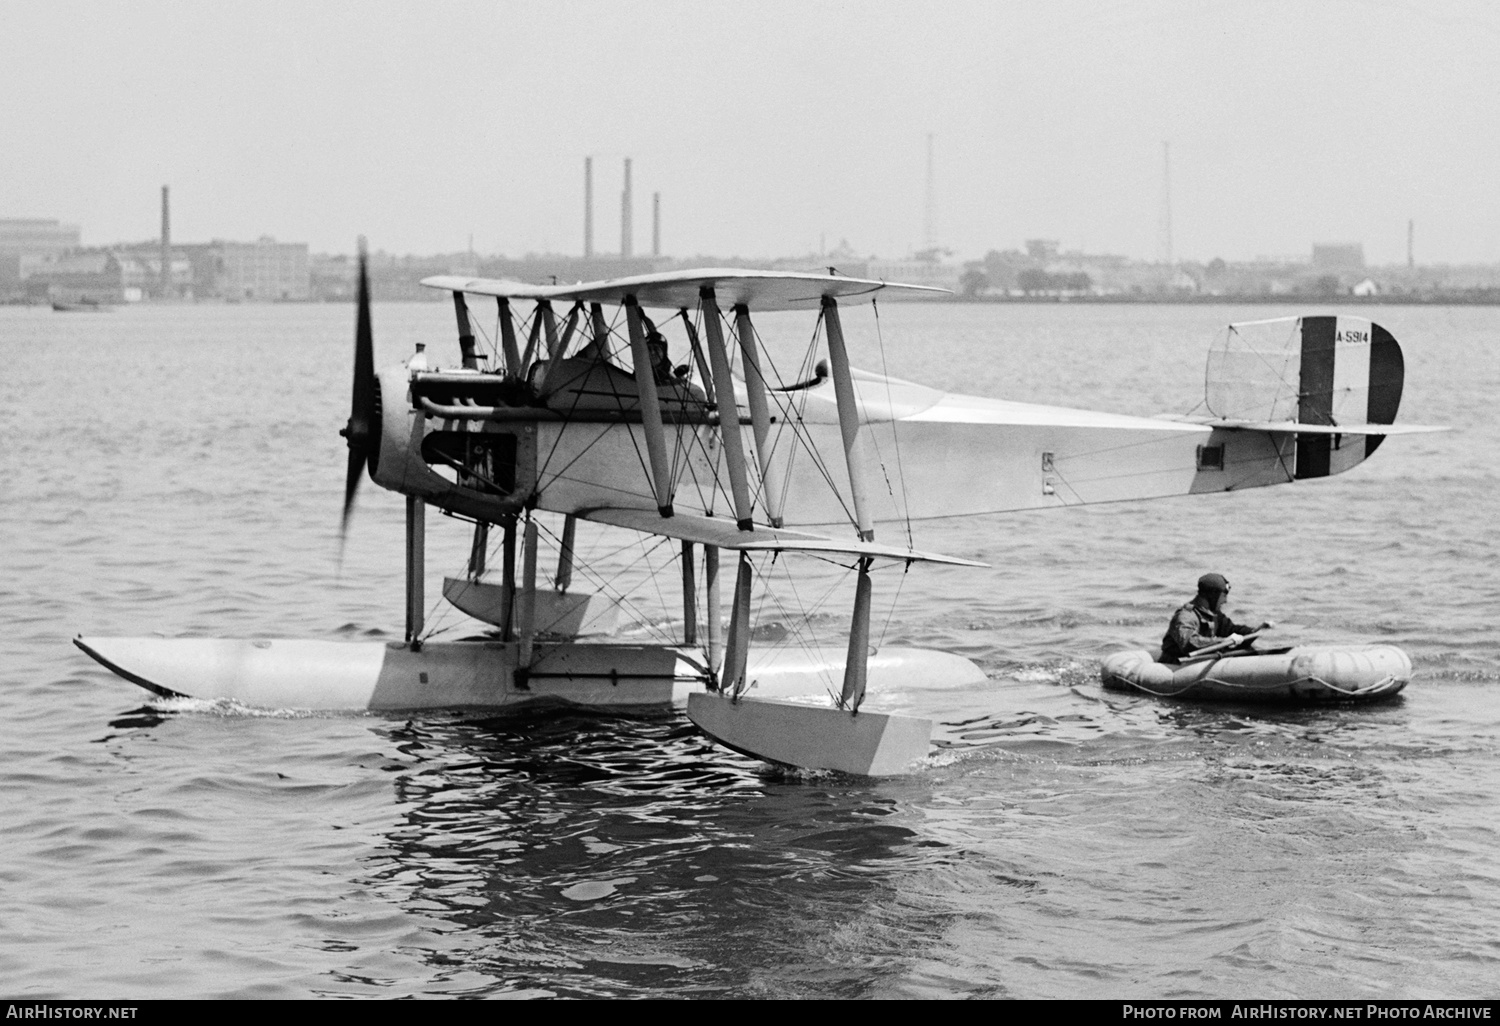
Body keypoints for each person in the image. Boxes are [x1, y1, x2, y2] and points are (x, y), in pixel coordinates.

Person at [1160, 573, 1273, 663]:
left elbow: (1232, 629)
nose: (1225, 601)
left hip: (1198, 661)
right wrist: (1224, 641)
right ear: (1212, 595)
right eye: (1223, 596)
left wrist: (1255, 631)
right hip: (1177, 663)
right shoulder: (1186, 616)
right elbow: (1190, 643)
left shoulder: (1213, 615)